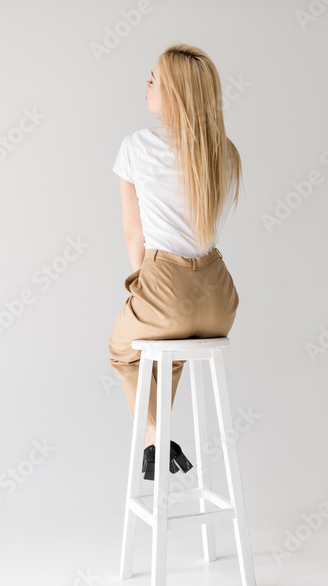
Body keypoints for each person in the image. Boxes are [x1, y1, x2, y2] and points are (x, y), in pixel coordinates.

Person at [108, 44, 242, 481]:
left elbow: (134, 234)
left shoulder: (136, 147)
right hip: (219, 299)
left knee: (124, 351)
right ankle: (156, 439)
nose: (146, 83)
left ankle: (154, 439)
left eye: (154, 78)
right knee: (174, 350)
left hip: (165, 284)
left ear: (176, 93)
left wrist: (144, 287)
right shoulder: (224, 151)